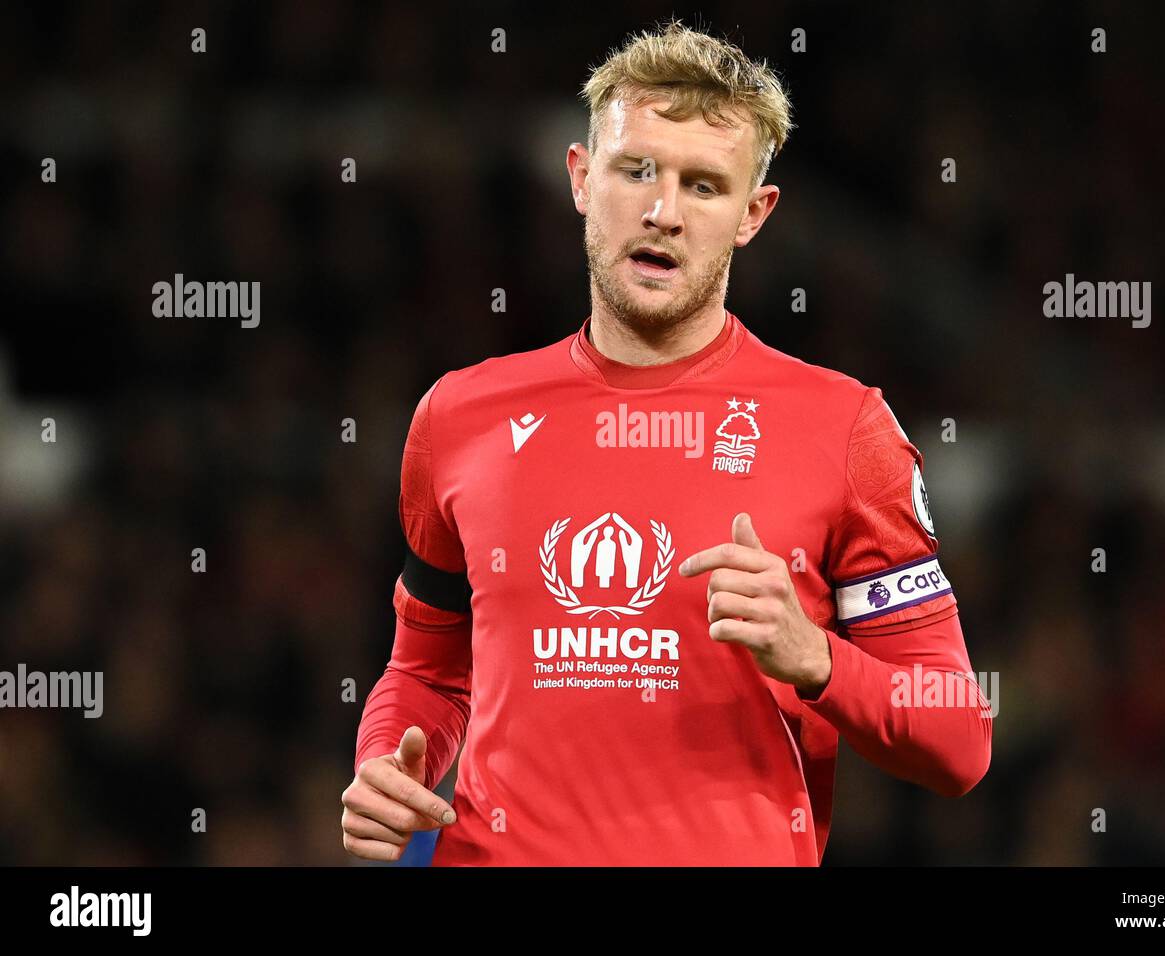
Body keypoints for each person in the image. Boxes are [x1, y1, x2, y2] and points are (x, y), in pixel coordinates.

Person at [342, 19, 991, 866]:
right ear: (581, 177)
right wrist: (383, 764)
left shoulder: (843, 429)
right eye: (636, 169)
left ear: (753, 215)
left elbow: (958, 739)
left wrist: (816, 659)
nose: (662, 212)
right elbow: (427, 671)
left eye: (704, 186)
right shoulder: (459, 416)